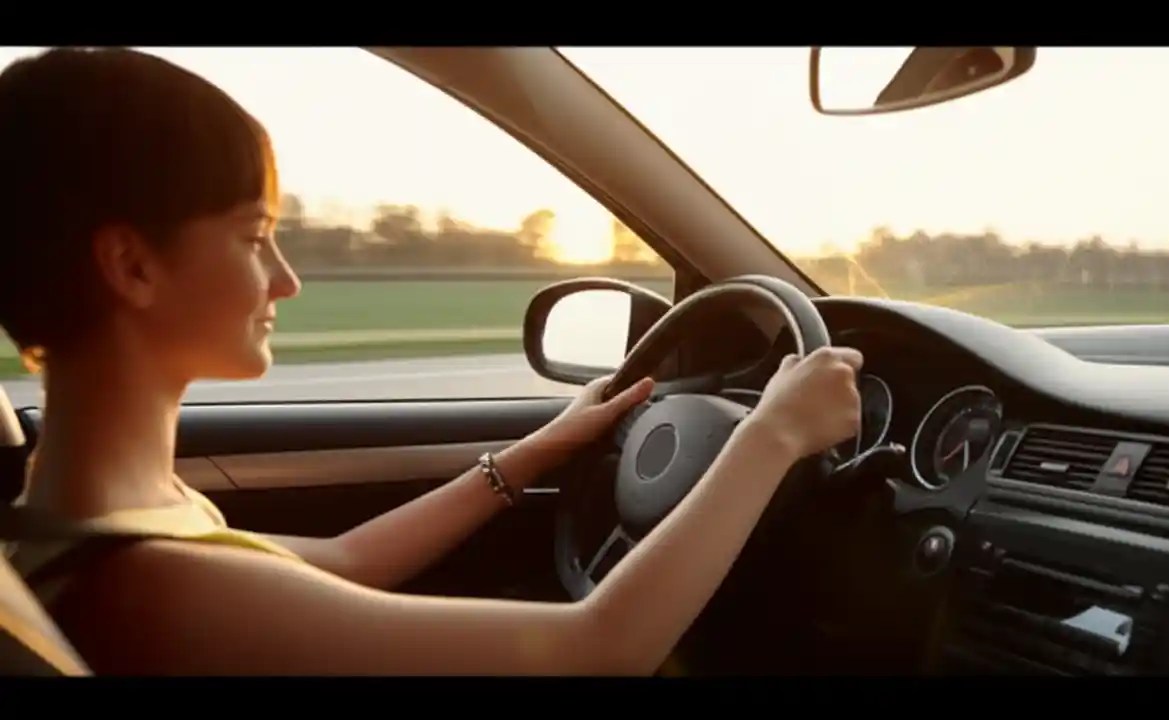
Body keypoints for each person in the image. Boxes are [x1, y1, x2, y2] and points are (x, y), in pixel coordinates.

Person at [0, 47, 864, 675]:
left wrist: (539, 449)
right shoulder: (148, 587)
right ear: (132, 266)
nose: (287, 280)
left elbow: (348, 564)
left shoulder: (102, 516)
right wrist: (772, 437)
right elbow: (600, 649)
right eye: (254, 237)